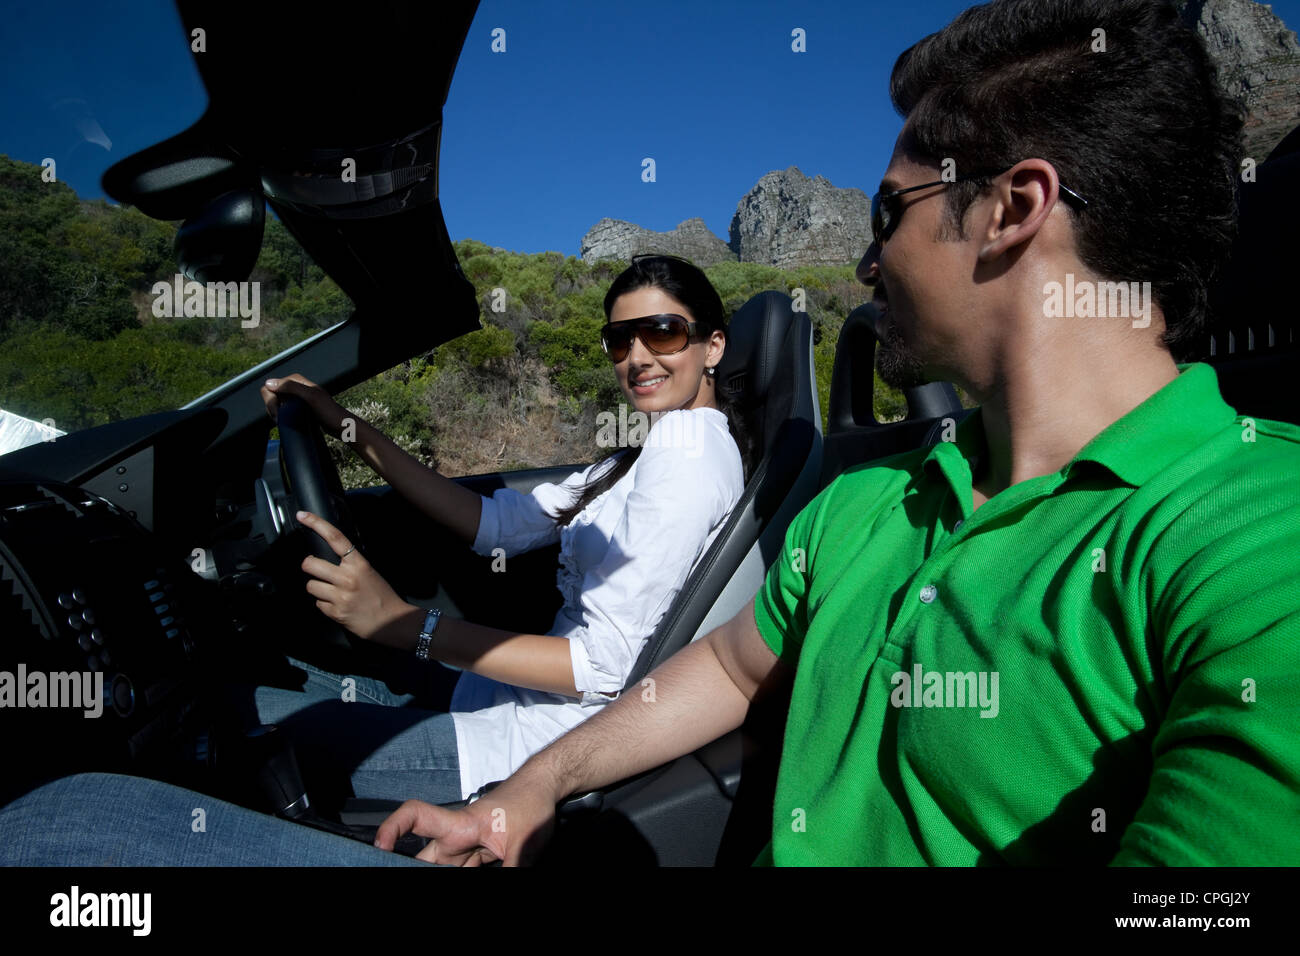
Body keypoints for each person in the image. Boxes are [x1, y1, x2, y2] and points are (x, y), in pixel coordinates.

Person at [366, 0, 1300, 866]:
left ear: (1013, 210)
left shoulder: (1257, 534)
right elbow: (731, 669)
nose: (865, 258)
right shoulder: (865, 504)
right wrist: (532, 786)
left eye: (889, 212)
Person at [0, 254, 749, 865]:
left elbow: (605, 667)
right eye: (620, 342)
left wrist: (405, 625)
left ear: (711, 344)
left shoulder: (688, 459)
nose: (638, 357)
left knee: (222, 724)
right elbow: (494, 522)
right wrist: (347, 426)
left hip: (528, 743)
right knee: (255, 686)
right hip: (496, 704)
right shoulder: (644, 455)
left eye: (661, 333)